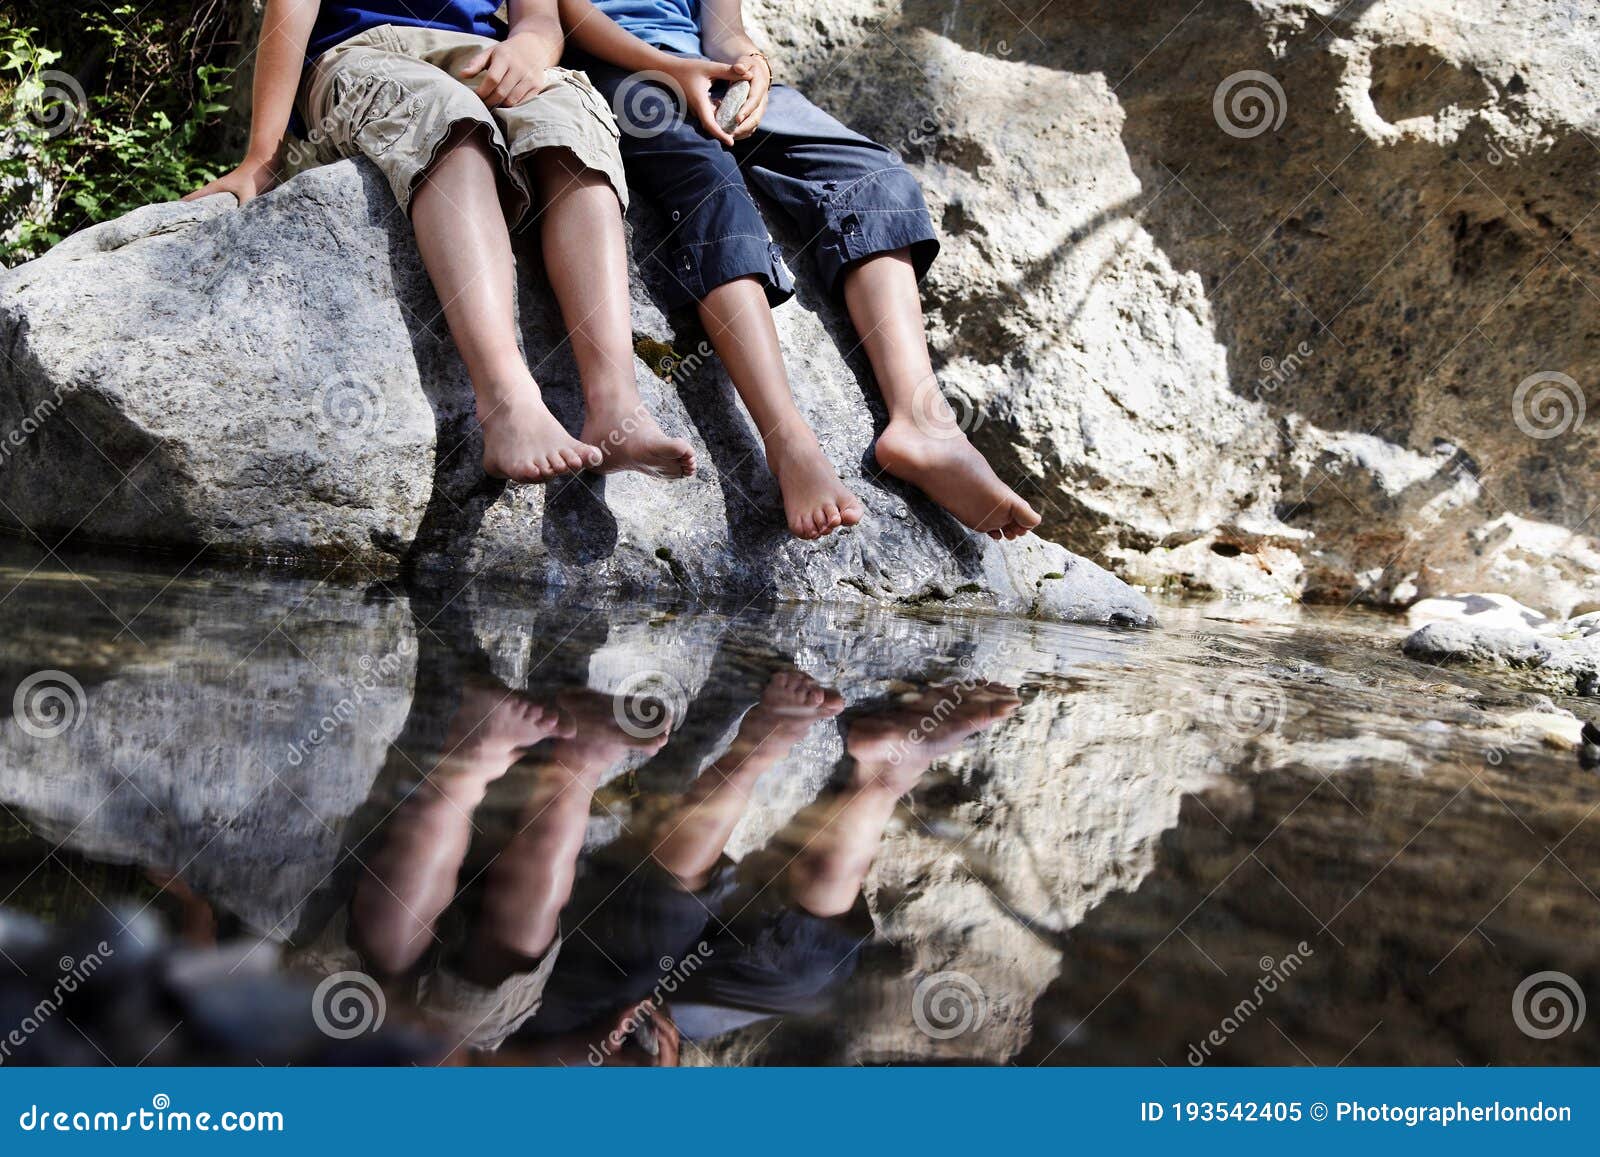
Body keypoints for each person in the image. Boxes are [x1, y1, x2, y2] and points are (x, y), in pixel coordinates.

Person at [556, 0, 1044, 541]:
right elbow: (568, 15)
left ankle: (923, 423)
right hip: (612, 72)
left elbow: (724, 30)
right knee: (715, 193)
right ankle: (789, 441)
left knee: (874, 176)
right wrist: (669, 68)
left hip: (706, 75)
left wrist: (748, 64)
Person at [185, 0, 698, 484]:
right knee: (448, 122)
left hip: (483, 53)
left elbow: (540, 18)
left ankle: (616, 406)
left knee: (572, 127)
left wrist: (528, 47)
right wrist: (263, 156)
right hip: (362, 51)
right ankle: (506, 399)